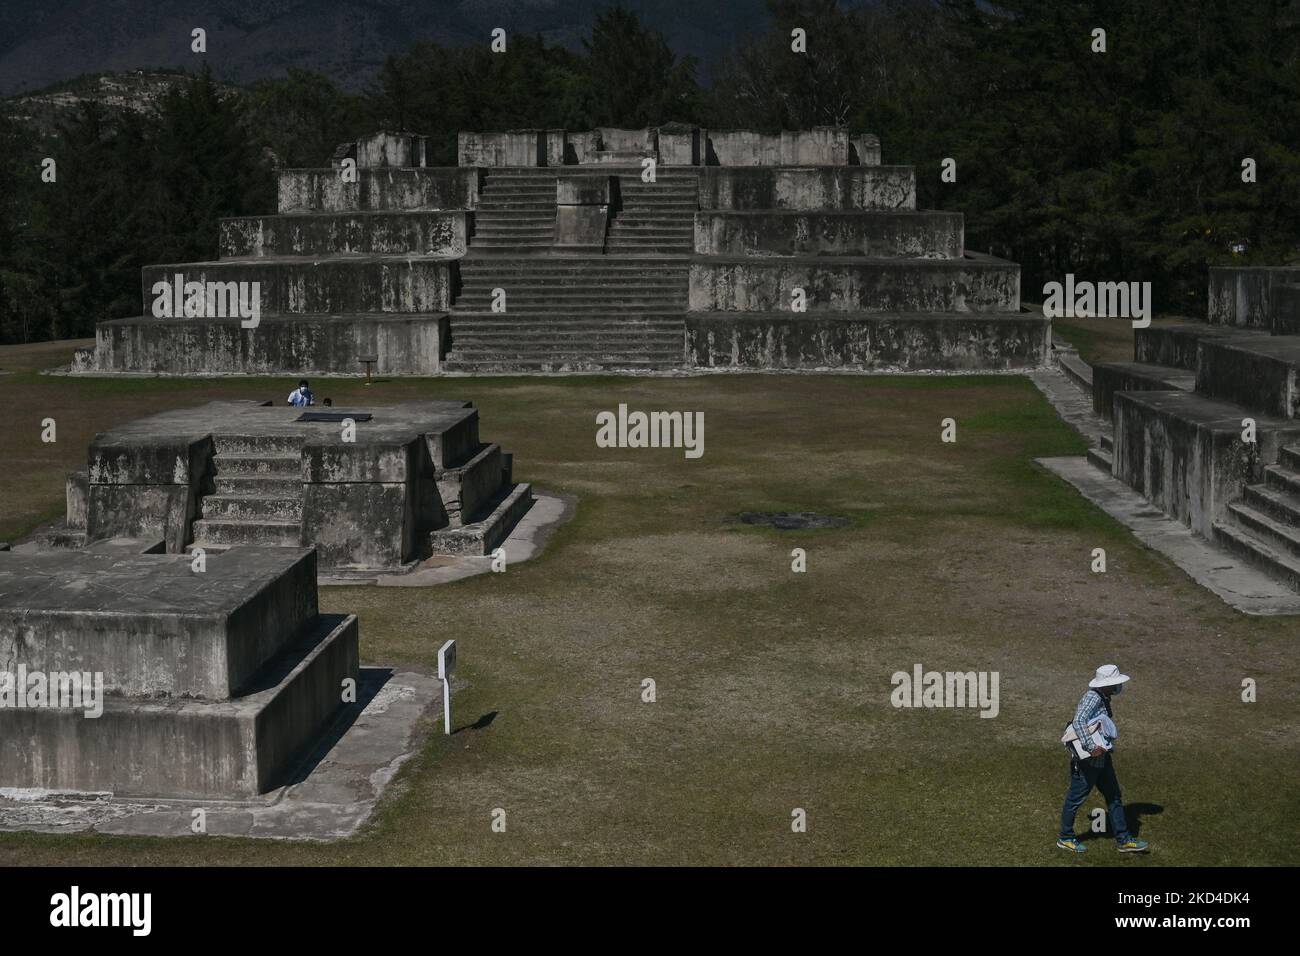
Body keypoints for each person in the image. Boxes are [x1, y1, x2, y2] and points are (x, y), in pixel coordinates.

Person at [1056, 665, 1150, 854]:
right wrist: (1091, 747)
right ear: (1107, 684)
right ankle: (1066, 838)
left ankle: (1123, 840)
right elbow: (1079, 721)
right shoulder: (1093, 697)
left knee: (1114, 796)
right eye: (1115, 683)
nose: (1118, 686)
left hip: (1103, 760)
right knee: (1075, 799)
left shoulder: (1103, 697)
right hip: (1088, 763)